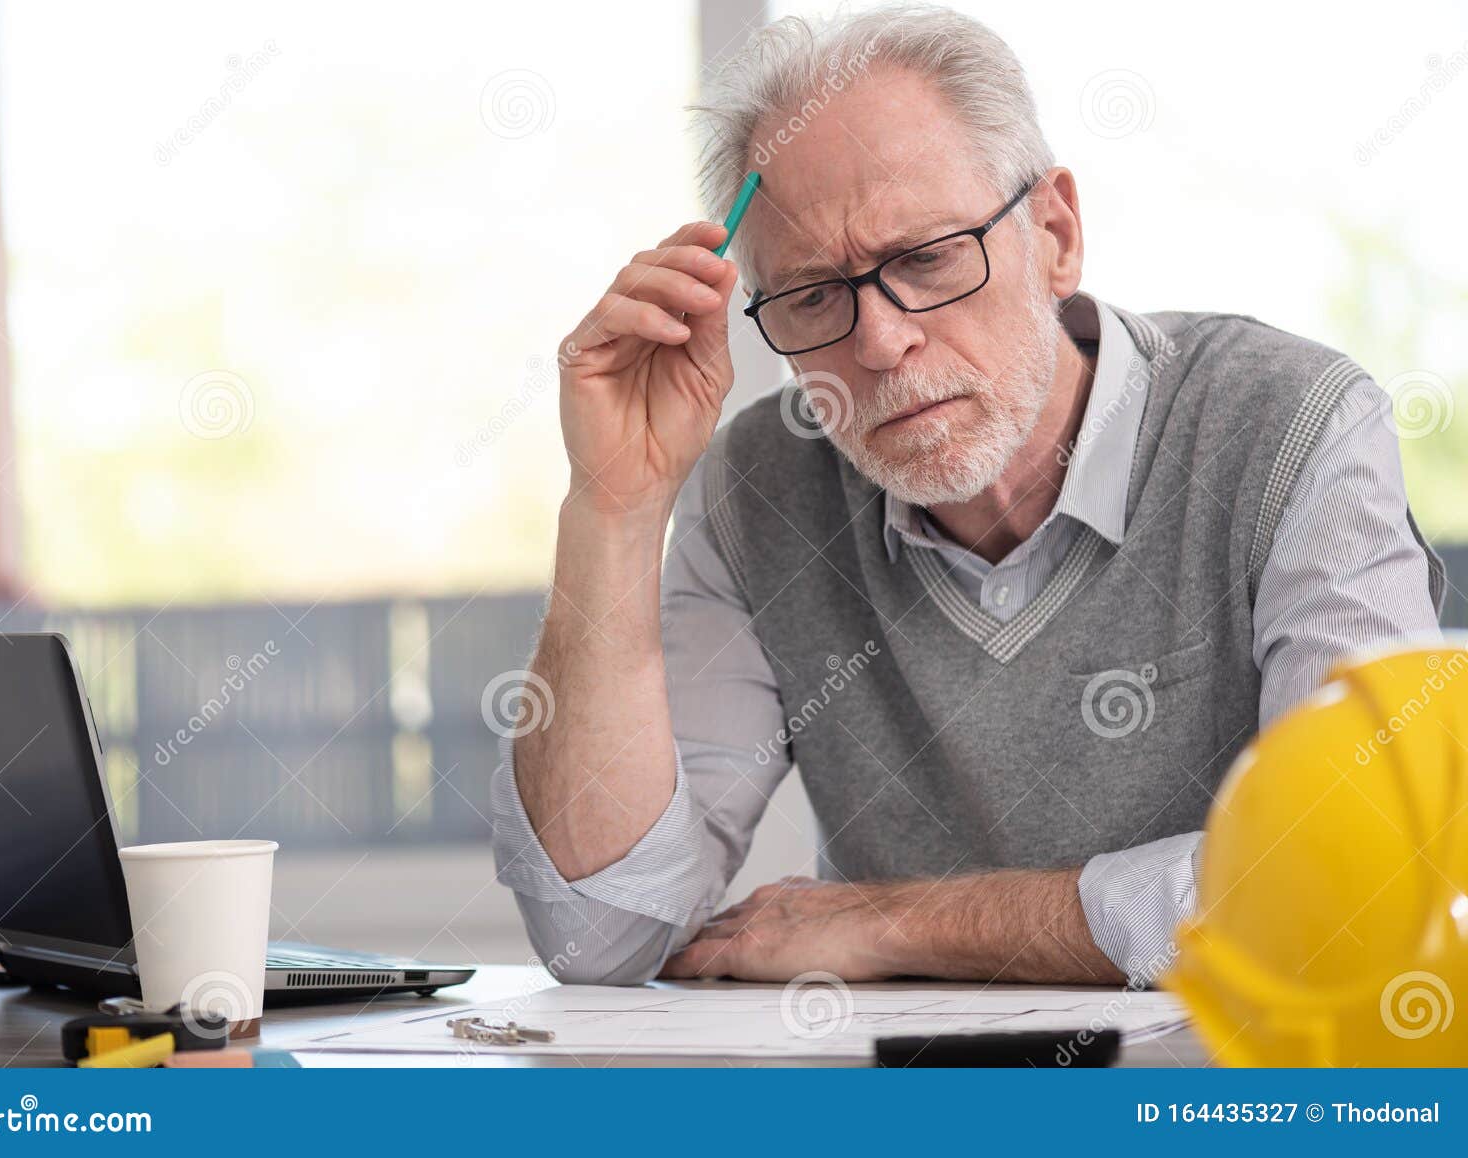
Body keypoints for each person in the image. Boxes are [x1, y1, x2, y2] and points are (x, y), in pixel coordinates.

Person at [491, 5, 1444, 986]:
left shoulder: (1288, 426)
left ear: (1055, 234)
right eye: (814, 295)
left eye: (924, 258)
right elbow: (594, 936)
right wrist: (612, 504)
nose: (877, 342)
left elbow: (1358, 875)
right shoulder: (759, 487)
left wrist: (907, 923)